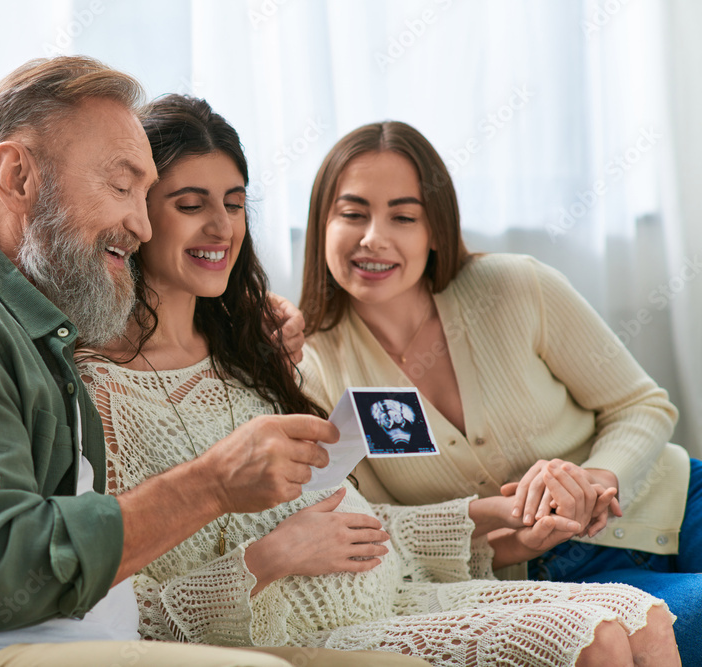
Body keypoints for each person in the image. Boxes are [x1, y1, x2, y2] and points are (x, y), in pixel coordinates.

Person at [0, 56, 358, 667]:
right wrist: (212, 484)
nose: (140, 223)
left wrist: (246, 315)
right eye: (121, 185)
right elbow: (1, 571)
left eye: (146, 192)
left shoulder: (31, 322)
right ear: (17, 176)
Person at [79, 94, 679, 666]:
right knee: (604, 633)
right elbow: (125, 609)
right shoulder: (109, 391)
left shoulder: (249, 361)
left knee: (639, 618)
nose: (220, 227)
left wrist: (493, 523)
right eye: (190, 205)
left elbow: (355, 521)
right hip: (325, 624)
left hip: (631, 508)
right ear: (136, 215)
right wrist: (270, 558)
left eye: (234, 204)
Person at [297, 120, 700, 660]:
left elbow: (640, 404)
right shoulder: (312, 372)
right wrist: (509, 535)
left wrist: (597, 479)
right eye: (352, 213)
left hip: (675, 499)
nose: (374, 237)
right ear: (321, 224)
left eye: (403, 216)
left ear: (435, 230)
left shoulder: (515, 287)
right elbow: (383, 532)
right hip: (545, 578)